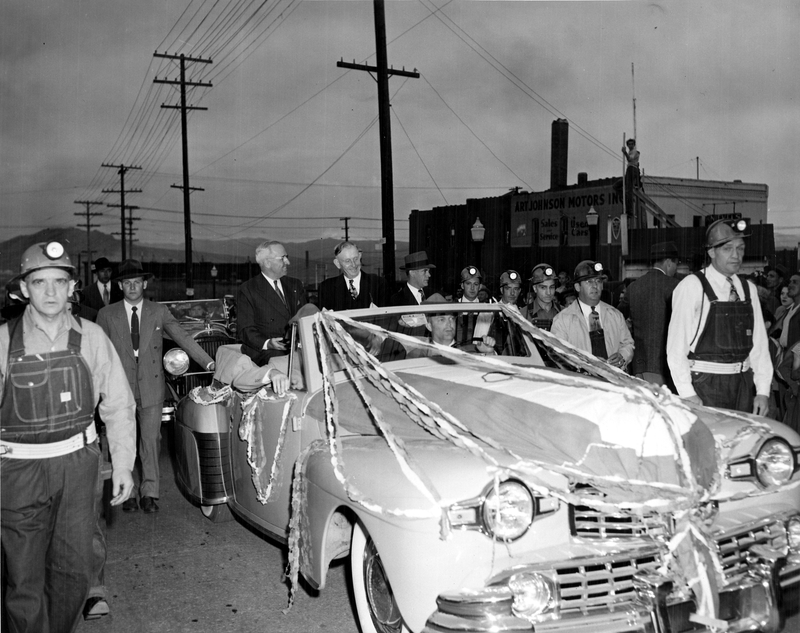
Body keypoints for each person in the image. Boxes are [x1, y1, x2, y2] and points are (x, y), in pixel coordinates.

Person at [1, 241, 136, 633]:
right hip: (16, 470)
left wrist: (124, 464)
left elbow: (118, 406)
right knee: (23, 581)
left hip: (78, 468)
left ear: (72, 287)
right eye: (39, 282)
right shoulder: (4, 342)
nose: (50, 292)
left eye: (59, 282)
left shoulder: (92, 337)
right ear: (24, 288)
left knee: (73, 575)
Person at [97, 259, 215, 514]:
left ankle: (150, 492)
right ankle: (126, 491)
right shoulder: (106, 315)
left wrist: (207, 362)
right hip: (120, 388)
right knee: (123, 440)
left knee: (151, 441)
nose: (132, 287)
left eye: (136, 282)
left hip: (151, 387)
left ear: (145, 284)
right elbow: (97, 351)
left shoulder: (158, 311)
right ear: (120, 285)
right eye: (127, 283)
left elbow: (182, 336)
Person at [666, 219, 772, 414]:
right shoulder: (692, 286)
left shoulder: (748, 289)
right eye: (727, 249)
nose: (736, 255)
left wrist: (763, 391)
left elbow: (759, 346)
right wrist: (688, 393)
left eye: (740, 248)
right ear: (711, 252)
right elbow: (675, 348)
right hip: (705, 385)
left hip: (743, 386)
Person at [551, 260, 633, 368]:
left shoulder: (615, 315)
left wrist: (622, 357)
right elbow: (558, 355)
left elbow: (628, 344)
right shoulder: (562, 320)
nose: (595, 286)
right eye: (589, 282)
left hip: (612, 381)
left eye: (598, 281)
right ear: (577, 287)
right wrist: (586, 362)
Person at [237, 241, 307, 366]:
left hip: (296, 347)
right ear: (267, 263)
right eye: (282, 258)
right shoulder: (248, 289)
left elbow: (304, 317)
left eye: (287, 257)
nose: (288, 262)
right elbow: (245, 330)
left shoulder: (295, 285)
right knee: (284, 362)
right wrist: (267, 343)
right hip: (266, 351)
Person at [625, 241, 681, 386]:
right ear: (668, 262)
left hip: (638, 365)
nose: (676, 269)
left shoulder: (633, 287)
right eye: (676, 264)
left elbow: (618, 316)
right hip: (664, 366)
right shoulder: (674, 286)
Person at [407, 294, 496, 358]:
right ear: (429, 326)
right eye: (442, 319)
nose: (449, 324)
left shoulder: (473, 351)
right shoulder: (417, 355)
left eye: (451, 319)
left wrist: (490, 353)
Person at [318, 241, 387, 310]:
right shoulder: (327, 288)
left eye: (355, 259)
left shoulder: (378, 284)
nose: (353, 264)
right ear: (337, 263)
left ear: (360, 257)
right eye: (348, 261)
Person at [455, 265, 493, 345]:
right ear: (462, 285)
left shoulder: (487, 311)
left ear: (480, 287)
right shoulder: (452, 308)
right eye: (468, 284)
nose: (472, 288)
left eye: (476, 284)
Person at [525, 263, 560, 331]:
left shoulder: (565, 313)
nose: (548, 292)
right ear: (535, 288)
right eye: (543, 287)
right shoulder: (522, 315)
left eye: (551, 287)